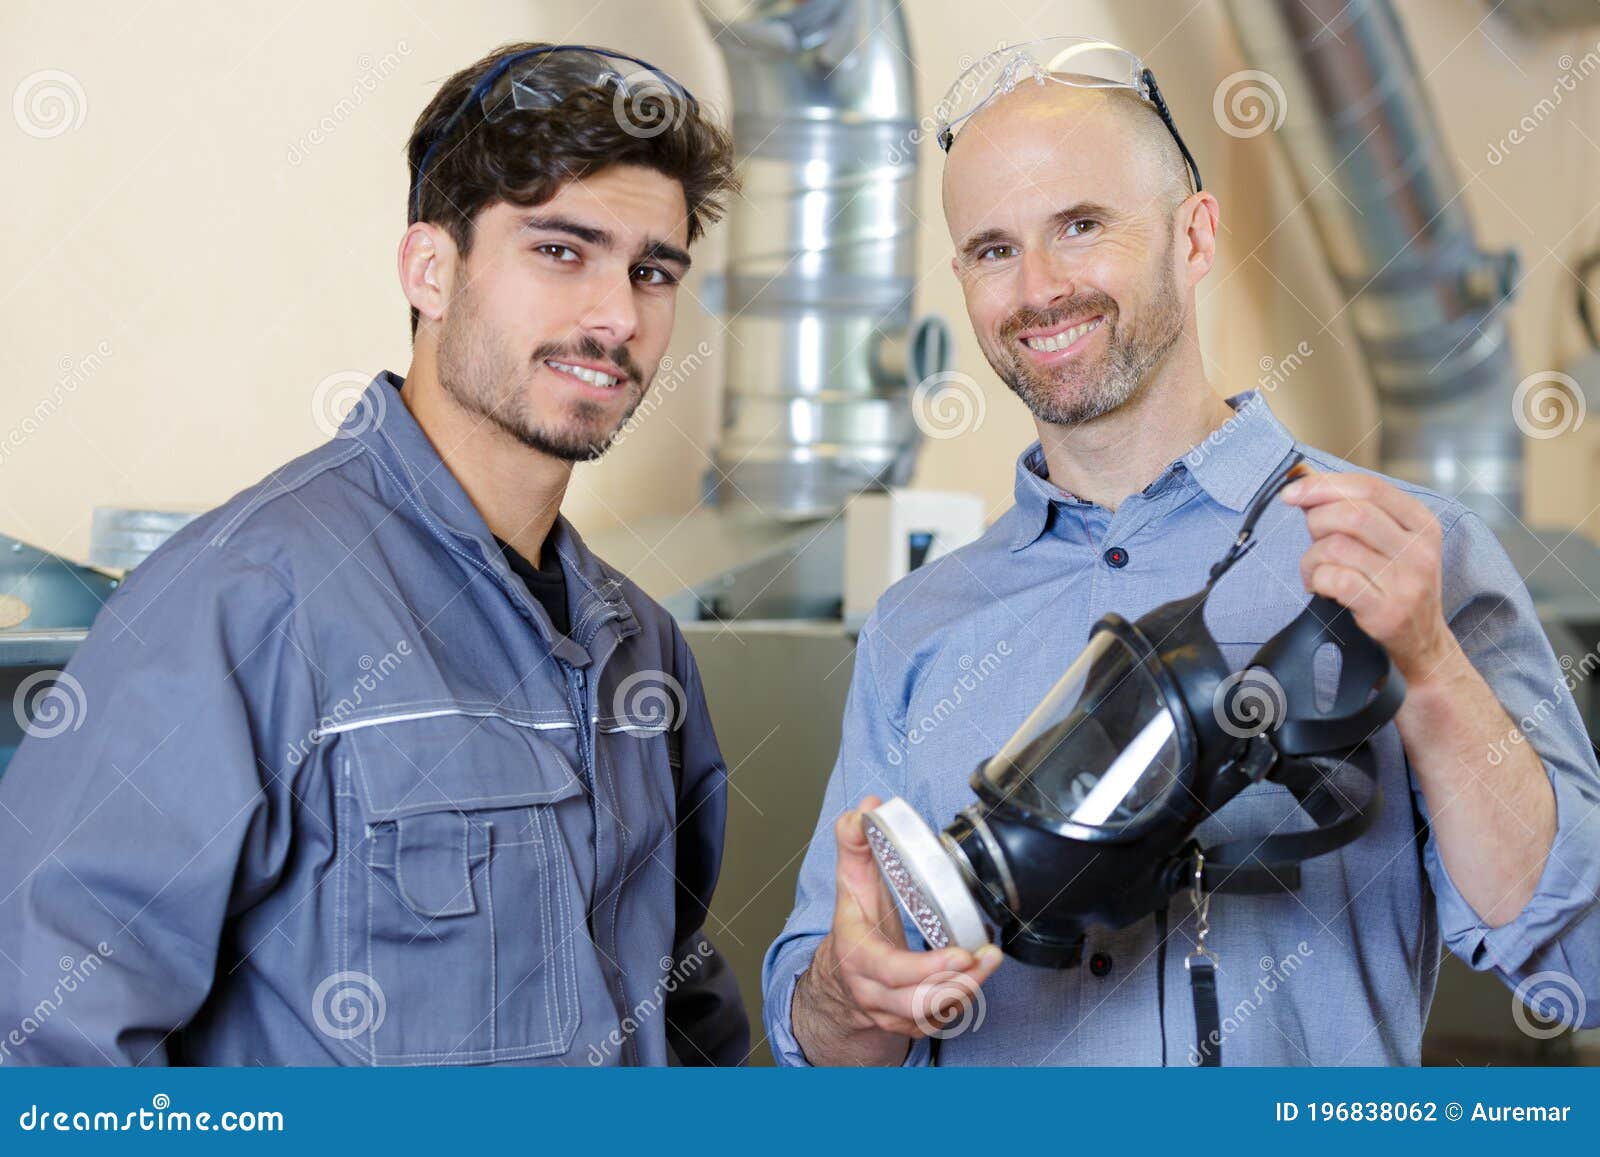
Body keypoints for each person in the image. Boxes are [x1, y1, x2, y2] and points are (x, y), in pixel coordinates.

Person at [765, 40, 1600, 1066]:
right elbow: (818, 1043)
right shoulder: (917, 623)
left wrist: (1425, 664)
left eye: (1080, 225)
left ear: (1194, 235)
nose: (1038, 287)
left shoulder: (1404, 551)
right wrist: (851, 996)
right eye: (993, 249)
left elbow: (1582, 955)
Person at [0, 41, 748, 1067]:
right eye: (561, 251)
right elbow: (45, 1045)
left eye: (652, 270)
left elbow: (683, 1013)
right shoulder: (246, 602)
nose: (617, 315)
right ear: (430, 270)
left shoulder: (642, 649)